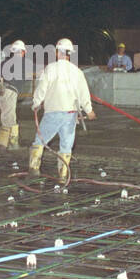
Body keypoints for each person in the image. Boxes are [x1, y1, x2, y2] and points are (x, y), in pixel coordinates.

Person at [29, 38, 95, 182]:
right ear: (69, 53)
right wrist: (89, 110)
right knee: (66, 145)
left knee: (40, 140)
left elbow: (41, 88)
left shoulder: (50, 69)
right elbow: (83, 93)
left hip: (53, 111)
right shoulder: (77, 72)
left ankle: (34, 169)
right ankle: (63, 174)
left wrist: (36, 103)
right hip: (70, 114)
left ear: (57, 52)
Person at [0, 39, 28, 148]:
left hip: (2, 90)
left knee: (5, 116)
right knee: (9, 117)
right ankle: (12, 144)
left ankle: (3, 143)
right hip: (10, 91)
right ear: (22, 52)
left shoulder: (5, 62)